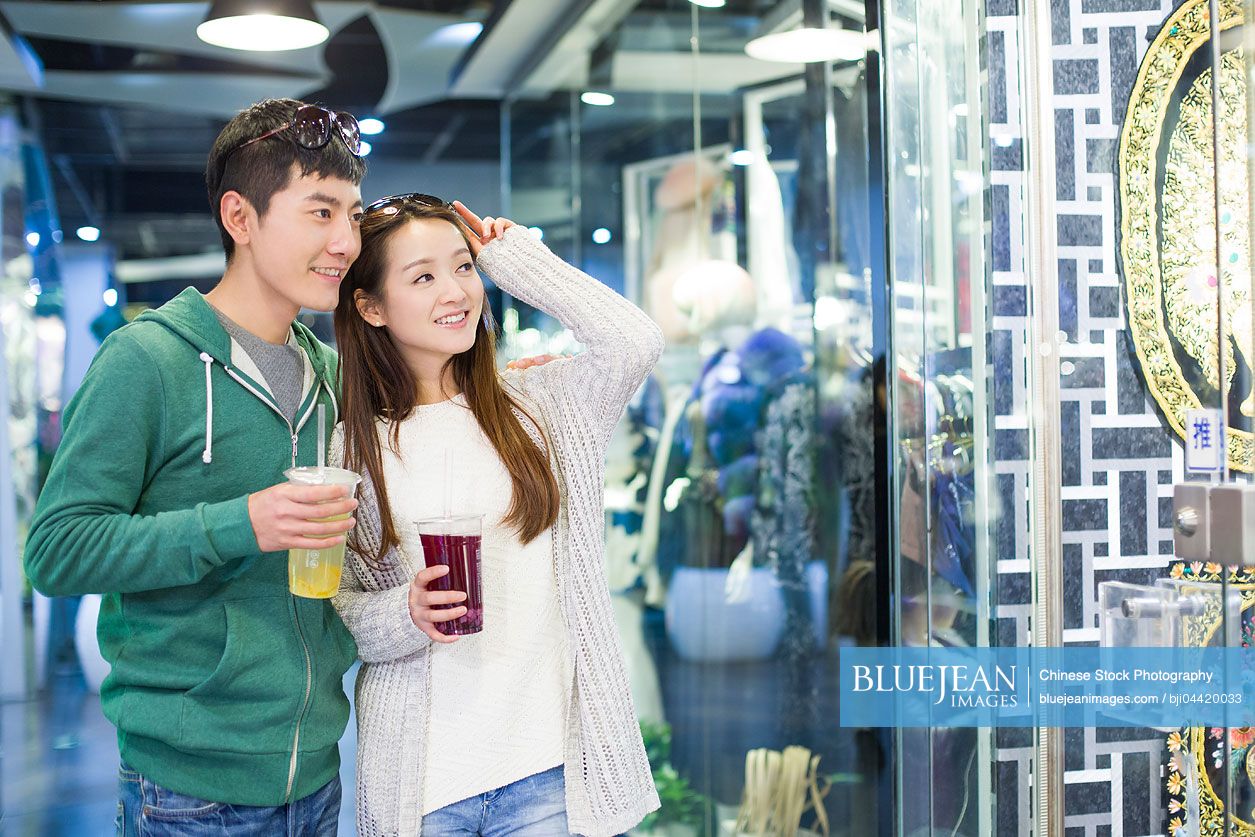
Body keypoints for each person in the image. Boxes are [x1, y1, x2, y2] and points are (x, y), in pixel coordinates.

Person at [24, 97, 368, 835]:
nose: (346, 241)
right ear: (240, 219)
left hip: (318, 775)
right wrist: (240, 522)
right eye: (320, 212)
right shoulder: (144, 360)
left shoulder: (331, 376)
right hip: (188, 793)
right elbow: (55, 551)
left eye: (353, 214)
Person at [330, 195, 664, 836]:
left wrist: (517, 261)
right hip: (424, 785)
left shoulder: (544, 403)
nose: (455, 290)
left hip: (550, 770)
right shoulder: (351, 447)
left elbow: (634, 341)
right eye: (422, 276)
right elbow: (335, 611)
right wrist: (404, 611)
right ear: (370, 307)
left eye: (462, 267)